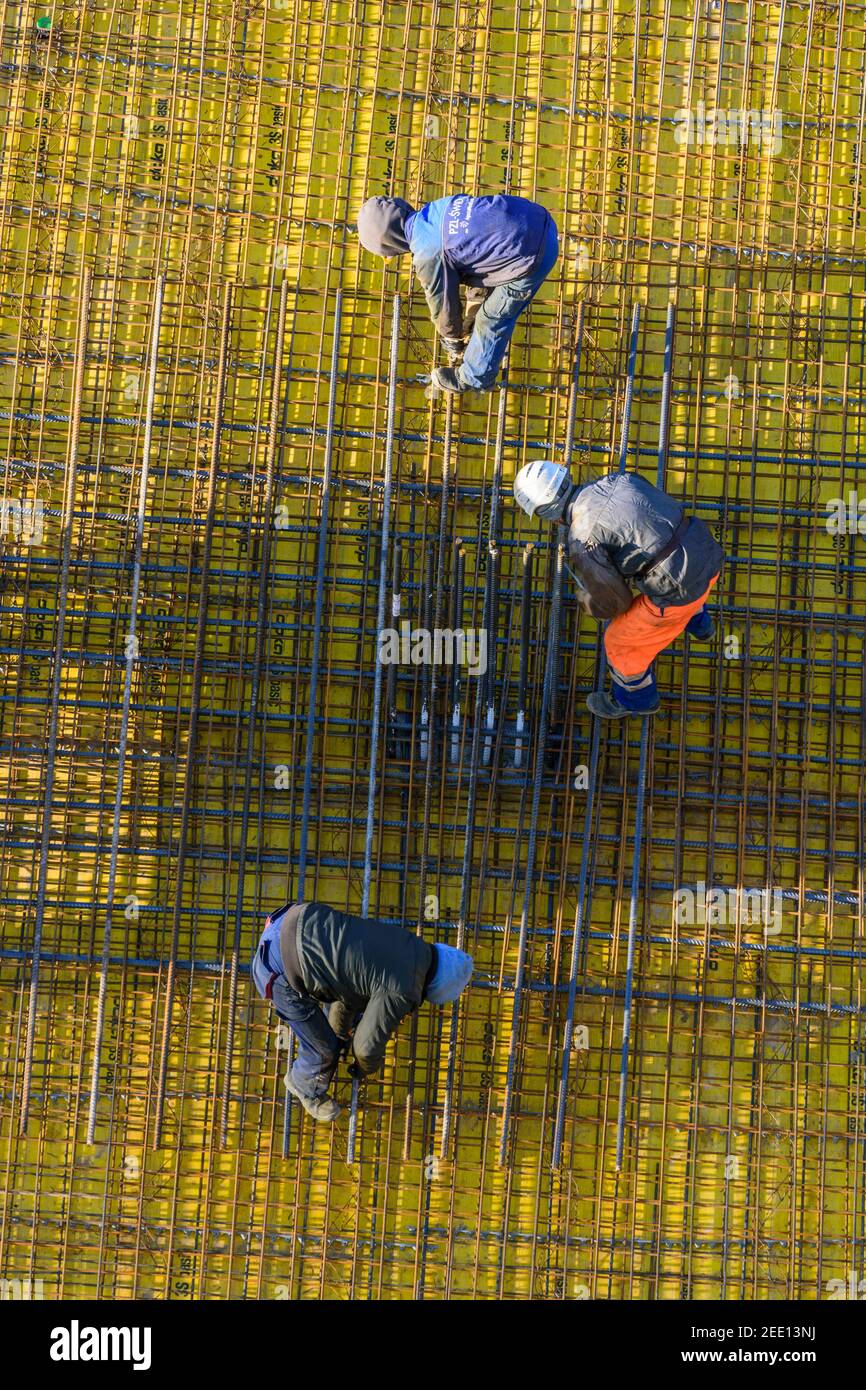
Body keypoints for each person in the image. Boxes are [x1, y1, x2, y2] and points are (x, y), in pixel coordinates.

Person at [513, 461, 724, 718]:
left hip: (679, 590)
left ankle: (637, 700)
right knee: (670, 573)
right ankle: (702, 626)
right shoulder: (618, 479)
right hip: (706, 551)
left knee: (620, 641)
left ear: (548, 513)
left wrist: (588, 599)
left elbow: (617, 602)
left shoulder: (582, 536)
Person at [251, 900, 473, 1121]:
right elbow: (366, 1048)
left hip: (292, 917)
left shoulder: (407, 944)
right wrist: (363, 1068)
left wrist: (339, 1033)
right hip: (279, 967)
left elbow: (349, 985)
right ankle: (303, 1085)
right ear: (437, 989)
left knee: (336, 1025)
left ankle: (329, 1045)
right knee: (323, 1050)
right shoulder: (404, 989)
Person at [356, 192, 558, 393]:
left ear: (389, 244)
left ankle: (474, 378)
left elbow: (443, 305)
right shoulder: (436, 208)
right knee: (481, 307)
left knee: (492, 318)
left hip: (533, 256)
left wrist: (452, 338)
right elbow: (478, 249)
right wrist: (472, 310)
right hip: (537, 219)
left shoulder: (427, 253)